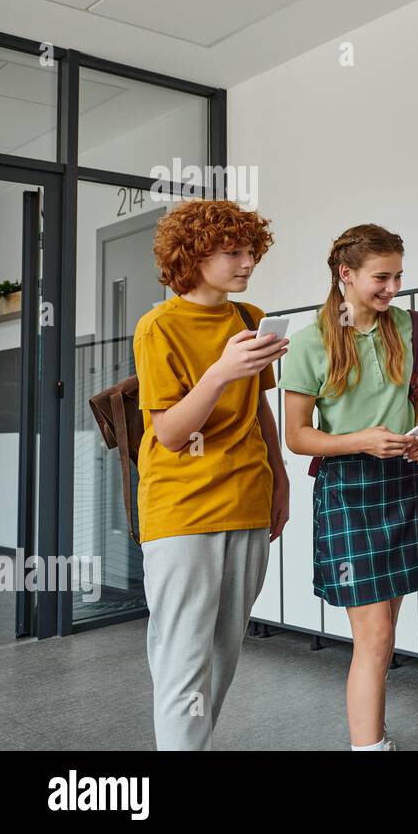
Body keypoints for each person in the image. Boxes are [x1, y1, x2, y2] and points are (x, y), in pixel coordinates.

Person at [280, 224, 418, 751]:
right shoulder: (310, 343)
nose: (392, 287)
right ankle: (369, 747)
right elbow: (297, 438)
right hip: (349, 491)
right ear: (345, 274)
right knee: (374, 637)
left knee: (383, 633)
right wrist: (359, 440)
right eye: (381, 277)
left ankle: (374, 737)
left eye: (399, 275)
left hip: (401, 478)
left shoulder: (411, 327)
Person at [134, 198, 289, 750]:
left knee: (224, 652)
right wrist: (222, 372)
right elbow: (171, 432)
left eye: (251, 251)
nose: (247, 263)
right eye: (232, 252)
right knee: (182, 657)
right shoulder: (158, 327)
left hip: (247, 497)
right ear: (194, 256)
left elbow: (261, 409)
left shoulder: (248, 318)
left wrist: (281, 480)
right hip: (183, 510)